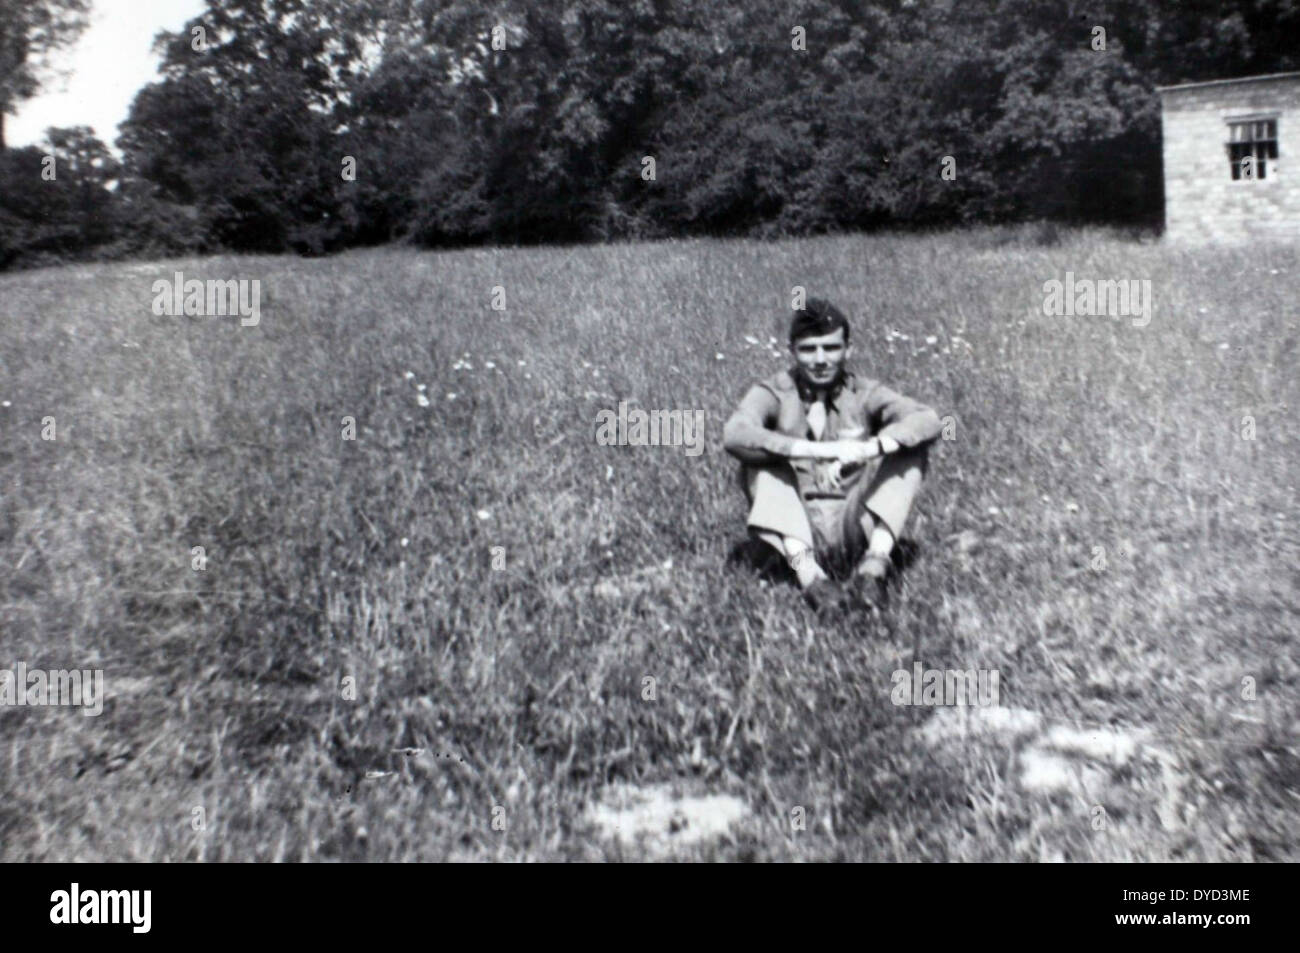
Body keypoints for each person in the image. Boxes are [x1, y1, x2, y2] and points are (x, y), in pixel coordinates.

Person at [722, 298, 942, 609]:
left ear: (848, 350)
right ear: (792, 352)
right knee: (758, 461)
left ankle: (873, 568)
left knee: (909, 447)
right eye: (808, 350)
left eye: (831, 348)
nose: (820, 360)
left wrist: (870, 447)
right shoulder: (773, 391)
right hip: (795, 528)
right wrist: (820, 450)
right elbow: (735, 433)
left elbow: (927, 419)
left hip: (854, 521)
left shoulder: (865, 391)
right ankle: (813, 581)